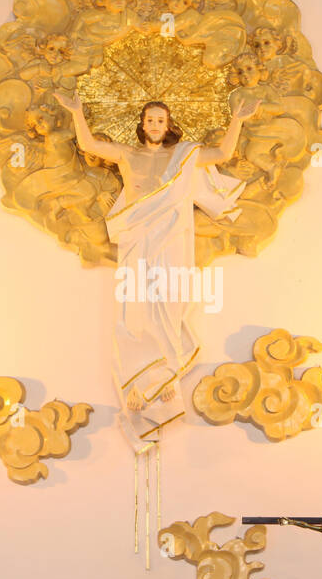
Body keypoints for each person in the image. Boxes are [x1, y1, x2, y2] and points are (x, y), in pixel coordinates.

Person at [52, 93, 259, 447]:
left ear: (169, 125)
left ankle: (164, 377)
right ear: (141, 124)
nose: (155, 125)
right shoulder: (127, 155)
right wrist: (76, 112)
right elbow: (87, 143)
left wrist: (237, 118)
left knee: (170, 303)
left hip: (172, 237)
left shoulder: (183, 157)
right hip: (137, 235)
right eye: (150, 119)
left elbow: (222, 155)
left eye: (161, 120)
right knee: (134, 308)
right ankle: (140, 381)